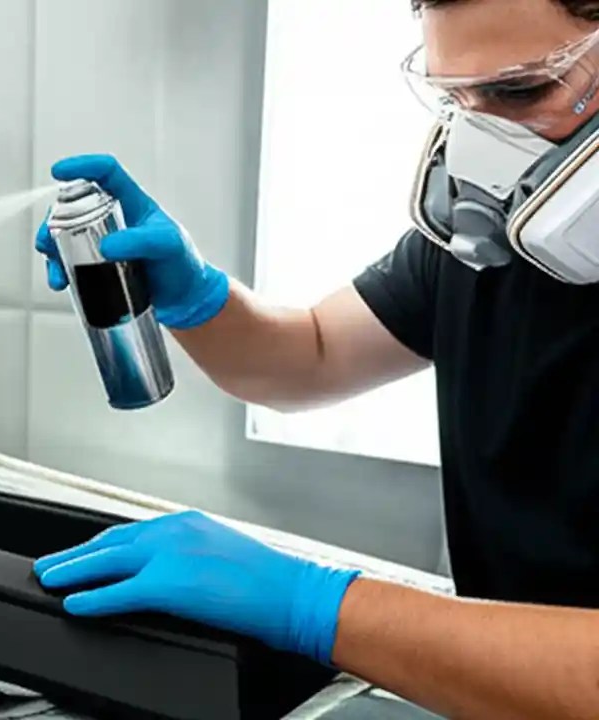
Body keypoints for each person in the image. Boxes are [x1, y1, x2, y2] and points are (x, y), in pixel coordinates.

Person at [32, 1, 599, 718]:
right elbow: (315, 355)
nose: (475, 150)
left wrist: (315, 605)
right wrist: (197, 297)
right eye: (456, 99)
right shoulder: (478, 252)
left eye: (520, 90)